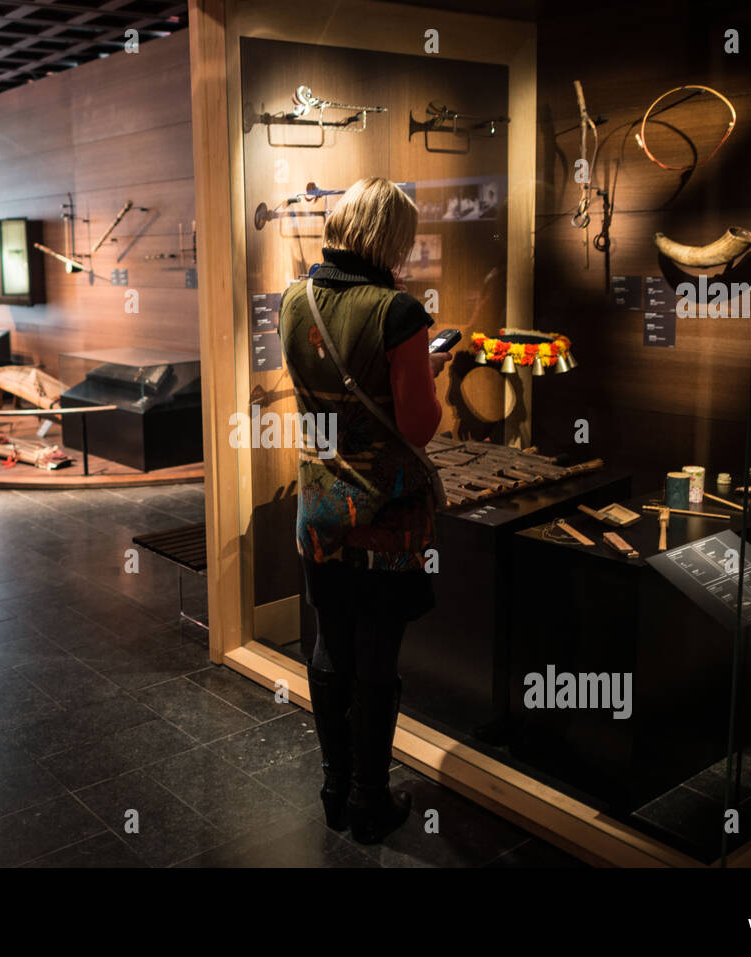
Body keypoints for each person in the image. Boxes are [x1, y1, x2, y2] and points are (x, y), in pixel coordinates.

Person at [278, 177, 446, 845]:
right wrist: (430, 367)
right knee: (377, 651)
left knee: (329, 642)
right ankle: (369, 801)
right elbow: (419, 425)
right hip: (387, 517)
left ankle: (332, 787)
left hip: (320, 504)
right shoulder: (399, 313)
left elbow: (323, 409)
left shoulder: (295, 299)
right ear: (390, 238)